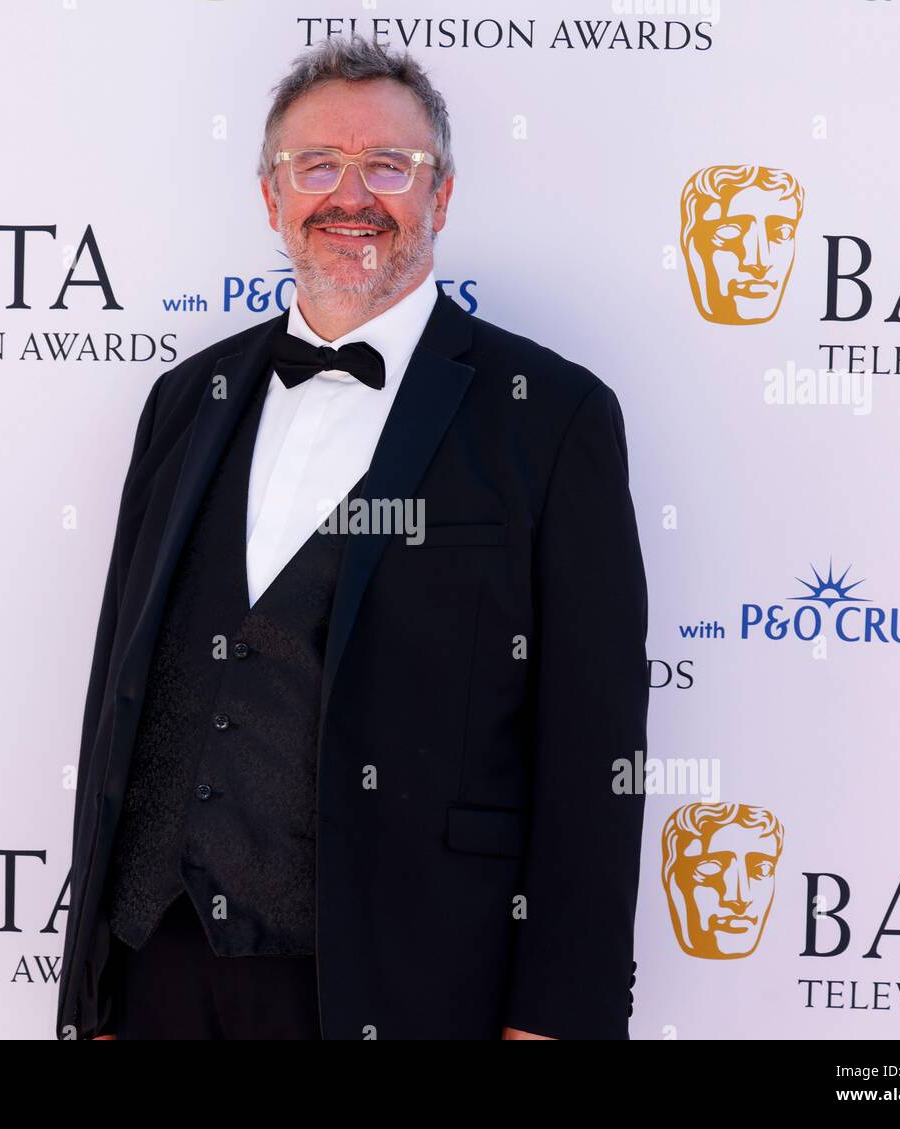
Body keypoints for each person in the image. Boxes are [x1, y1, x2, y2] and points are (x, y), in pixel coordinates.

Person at [56, 34, 649, 1041]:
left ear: (441, 195)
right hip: (158, 963)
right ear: (271, 194)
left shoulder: (549, 416)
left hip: (406, 982)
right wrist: (94, 991)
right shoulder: (185, 398)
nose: (351, 193)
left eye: (389, 165)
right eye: (316, 165)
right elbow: (122, 688)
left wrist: (557, 1017)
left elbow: (594, 747)